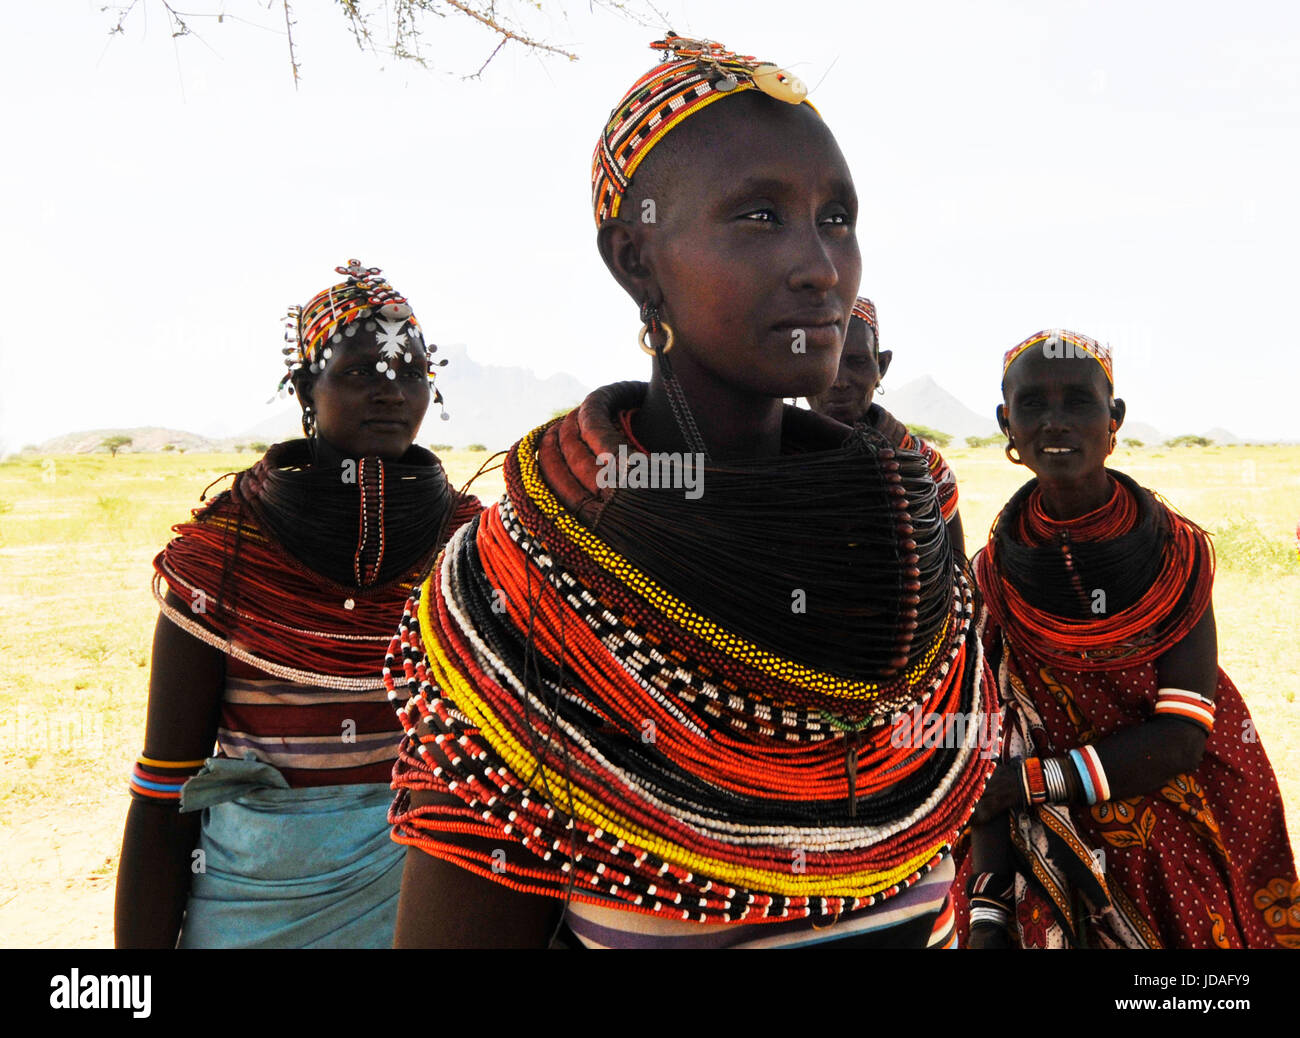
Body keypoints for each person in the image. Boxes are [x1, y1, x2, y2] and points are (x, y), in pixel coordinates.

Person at [386, 34, 996, 949]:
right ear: (636, 260)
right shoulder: (524, 585)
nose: (822, 267)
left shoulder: (914, 531)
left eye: (838, 218)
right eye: (759, 217)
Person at [115, 260, 480, 948]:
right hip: (253, 908)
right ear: (305, 388)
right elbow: (166, 788)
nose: (390, 392)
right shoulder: (223, 557)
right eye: (359, 370)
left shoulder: (470, 549)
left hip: (425, 903)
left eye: (411, 372)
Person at [958, 329, 1299, 949]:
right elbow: (989, 739)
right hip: (1033, 828)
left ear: (1113, 419)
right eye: (1032, 405)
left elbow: (1181, 737)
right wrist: (989, 912)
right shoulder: (992, 577)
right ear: (1006, 423)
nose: (1055, 422)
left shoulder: (1178, 555)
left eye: (1079, 403)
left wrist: (1028, 783)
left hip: (1175, 804)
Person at [808, 296, 963, 553]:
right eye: (823, 360)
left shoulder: (923, 465)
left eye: (856, 362)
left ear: (881, 366)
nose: (839, 381)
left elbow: (956, 576)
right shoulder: (773, 454)